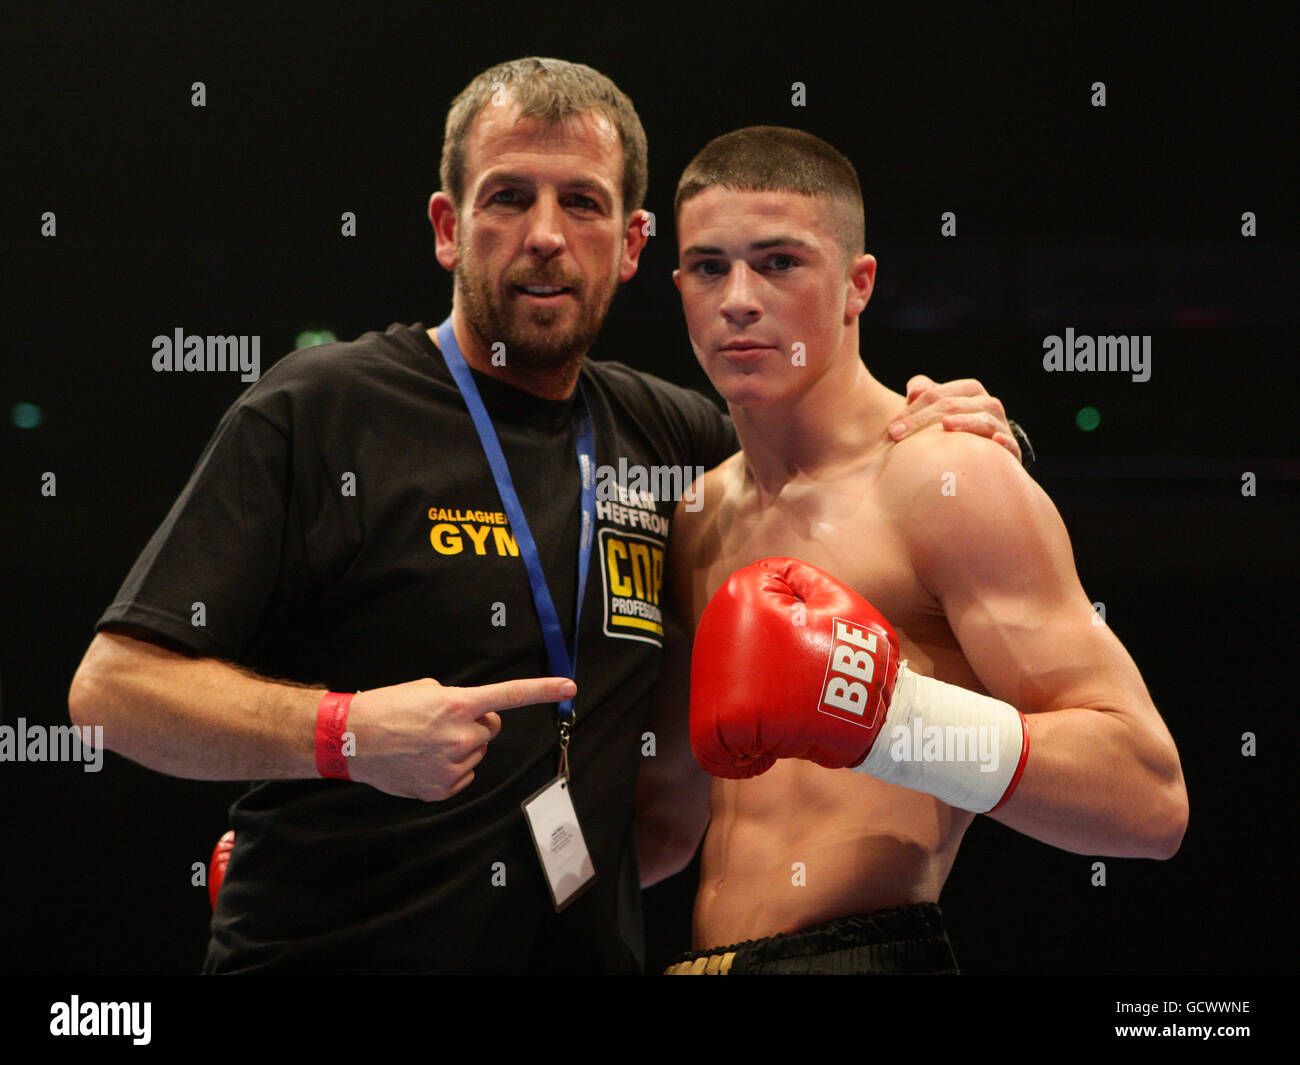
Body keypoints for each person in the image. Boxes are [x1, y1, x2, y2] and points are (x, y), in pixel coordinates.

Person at [67, 60, 1022, 974]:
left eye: (582, 202)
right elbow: (111, 693)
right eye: (509, 196)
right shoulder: (320, 409)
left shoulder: (669, 437)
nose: (546, 235)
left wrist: (970, 428)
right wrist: (344, 731)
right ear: (447, 226)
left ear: (635, 244)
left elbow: (834, 451)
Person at [637, 126, 1188, 975]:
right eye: (710, 267)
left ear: (858, 285)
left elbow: (1149, 798)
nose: (739, 298)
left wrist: (892, 722)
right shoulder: (695, 517)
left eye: (780, 262)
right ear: (678, 285)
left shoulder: (945, 480)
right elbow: (665, 826)